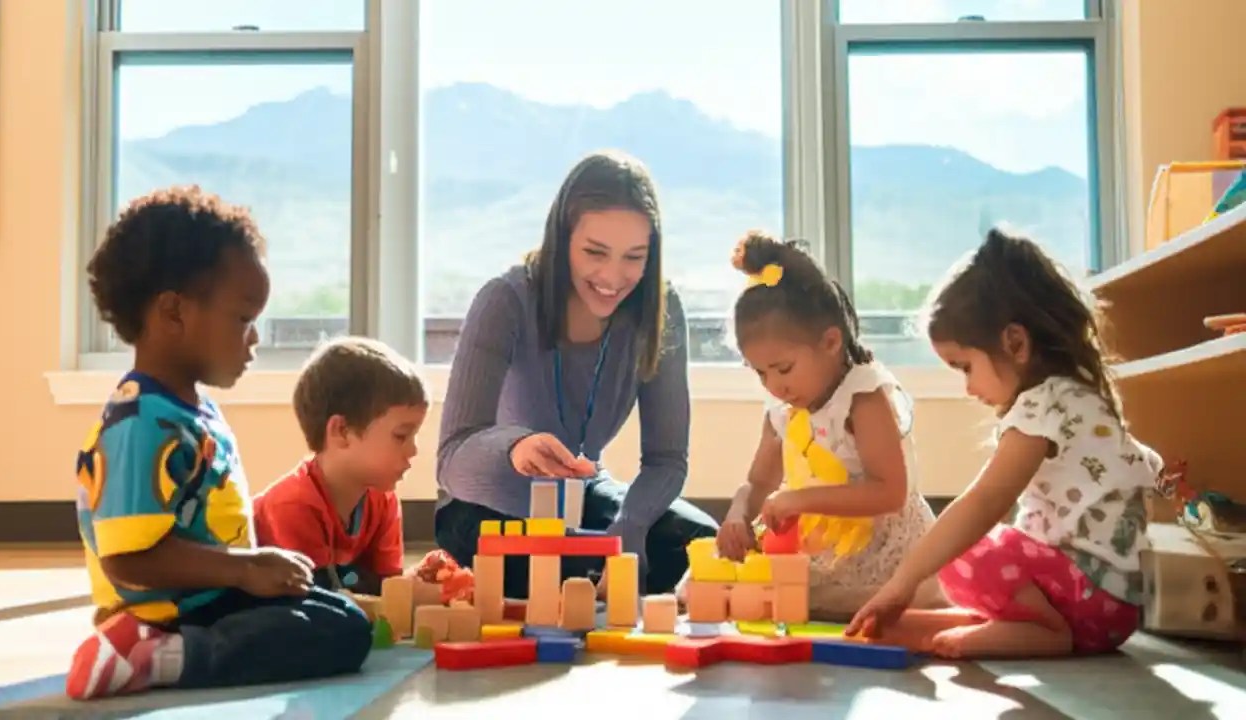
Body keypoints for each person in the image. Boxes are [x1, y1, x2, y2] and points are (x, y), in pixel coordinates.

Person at [66, 187, 371, 700]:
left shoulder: (190, 410)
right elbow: (127, 559)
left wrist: (253, 567)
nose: (254, 339)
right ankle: (158, 654)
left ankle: (175, 652)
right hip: (169, 613)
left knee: (342, 616)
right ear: (174, 312)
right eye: (243, 320)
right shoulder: (139, 423)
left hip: (213, 598)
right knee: (340, 632)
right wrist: (244, 568)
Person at [847, 228, 1163, 658]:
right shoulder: (1079, 393)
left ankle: (1046, 631)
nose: (968, 387)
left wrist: (902, 582)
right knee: (967, 552)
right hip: (1114, 608)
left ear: (1015, 343)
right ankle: (1021, 623)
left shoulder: (1043, 404)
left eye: (965, 367)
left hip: (1087, 599)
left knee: (965, 548)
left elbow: (986, 501)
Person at [434, 150, 718, 598]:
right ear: (562, 238)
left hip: (584, 497)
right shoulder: (505, 300)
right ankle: (586, 582)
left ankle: (591, 580)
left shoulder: (660, 309)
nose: (613, 276)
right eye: (594, 252)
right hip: (487, 506)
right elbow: (451, 461)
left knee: (701, 546)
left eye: (634, 257)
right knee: (552, 564)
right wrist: (516, 447)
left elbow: (666, 459)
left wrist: (631, 525)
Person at [678, 230, 941, 619]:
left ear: (831, 342)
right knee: (705, 582)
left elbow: (890, 492)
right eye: (760, 373)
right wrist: (737, 514)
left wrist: (800, 500)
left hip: (876, 547)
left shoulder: (862, 396)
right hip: (812, 538)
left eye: (784, 369)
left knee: (802, 599)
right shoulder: (782, 409)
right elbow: (758, 483)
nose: (774, 385)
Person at [254, 336, 429, 596]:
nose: (413, 451)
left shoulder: (382, 500)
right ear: (342, 431)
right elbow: (317, 601)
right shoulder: (293, 505)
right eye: (401, 436)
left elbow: (386, 588)